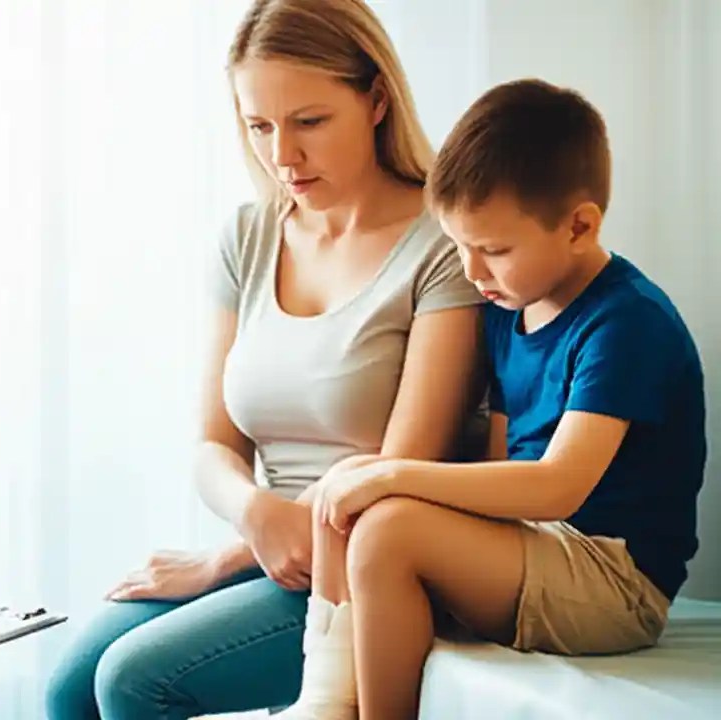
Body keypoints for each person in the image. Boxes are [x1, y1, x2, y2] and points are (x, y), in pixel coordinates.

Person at [45, 1, 486, 717]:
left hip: (367, 570)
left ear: (376, 99)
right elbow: (213, 444)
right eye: (260, 126)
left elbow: (401, 467)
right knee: (68, 687)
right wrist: (255, 514)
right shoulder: (249, 236)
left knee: (132, 681)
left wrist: (224, 557)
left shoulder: (446, 244)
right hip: (273, 554)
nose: (282, 154)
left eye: (309, 122)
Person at [295, 78, 707, 719]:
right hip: (537, 548)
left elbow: (555, 487)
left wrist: (396, 478)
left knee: (387, 528)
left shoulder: (627, 322)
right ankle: (323, 702)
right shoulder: (508, 311)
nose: (471, 271)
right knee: (345, 486)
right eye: (459, 245)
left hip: (615, 580)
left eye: (493, 250)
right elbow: (497, 469)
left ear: (579, 226)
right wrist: (376, 480)